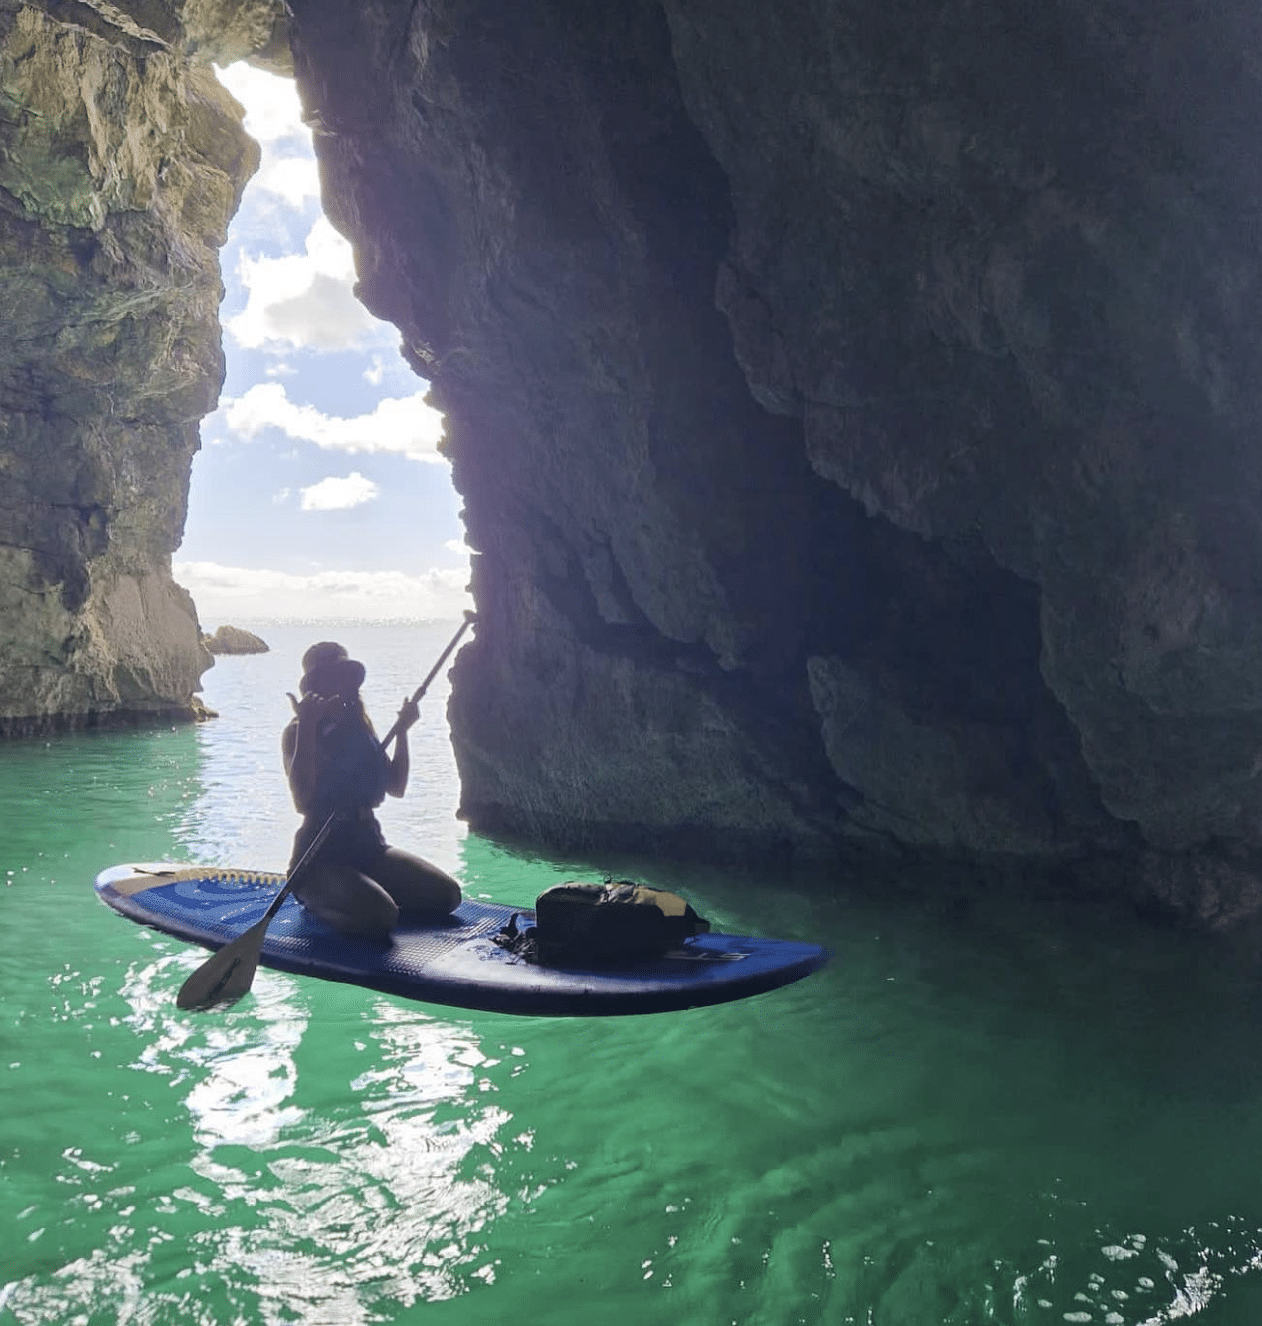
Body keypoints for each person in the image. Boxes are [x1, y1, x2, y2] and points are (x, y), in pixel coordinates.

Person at [281, 641, 462, 938]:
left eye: (344, 678)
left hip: (369, 848)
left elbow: (396, 786)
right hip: (319, 859)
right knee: (380, 917)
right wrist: (309, 727)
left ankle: (363, 894)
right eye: (332, 678)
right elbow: (302, 801)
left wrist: (403, 732)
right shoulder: (296, 733)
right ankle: (317, 901)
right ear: (317, 686)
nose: (341, 686)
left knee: (446, 896)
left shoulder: (359, 727)